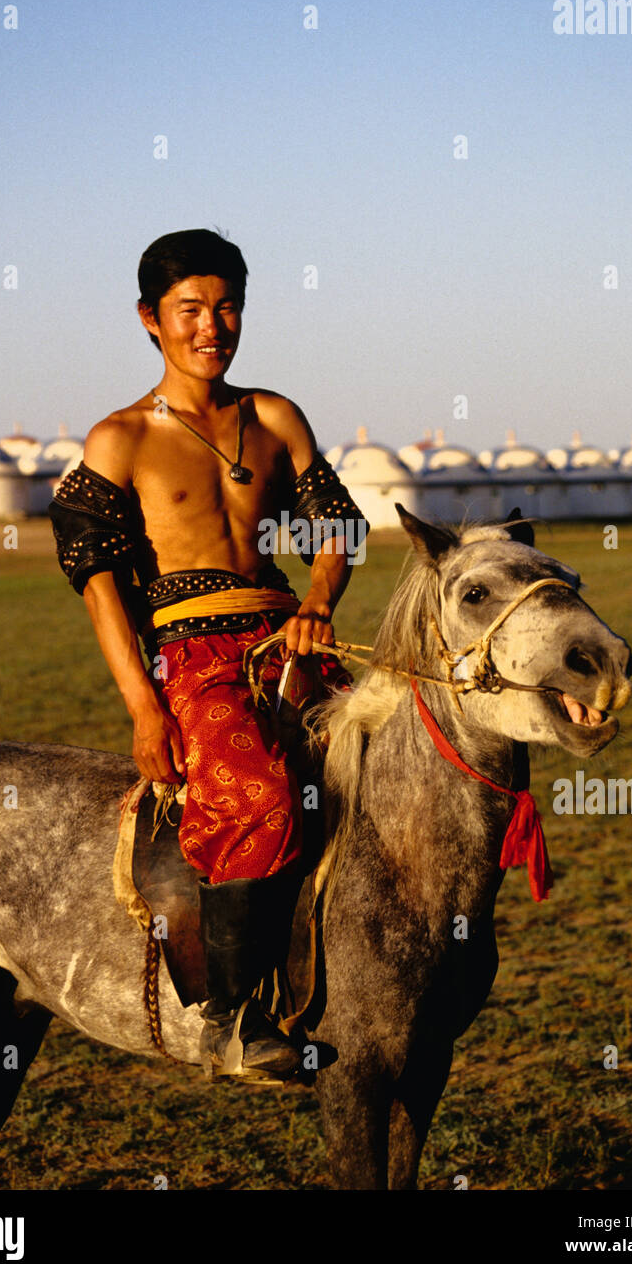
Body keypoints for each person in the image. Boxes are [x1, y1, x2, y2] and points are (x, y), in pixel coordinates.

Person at [48, 228, 367, 1082]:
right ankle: (228, 1020)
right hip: (191, 656)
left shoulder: (273, 416)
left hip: (286, 636)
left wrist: (317, 602)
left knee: (391, 772)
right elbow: (99, 586)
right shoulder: (118, 440)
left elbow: (335, 529)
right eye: (190, 309)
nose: (211, 325)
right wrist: (142, 709)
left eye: (227, 307)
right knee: (259, 797)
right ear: (151, 319)